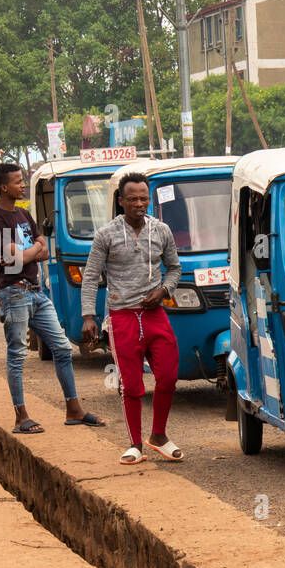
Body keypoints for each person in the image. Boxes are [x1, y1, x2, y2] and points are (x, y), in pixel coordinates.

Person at [0, 162, 105, 434]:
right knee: (16, 355)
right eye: (18, 181)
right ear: (4, 187)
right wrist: (33, 250)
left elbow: (42, 250)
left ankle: (74, 409)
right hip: (13, 293)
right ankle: (21, 416)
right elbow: (11, 259)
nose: (23, 185)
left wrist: (29, 251)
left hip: (35, 292)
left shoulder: (23, 213)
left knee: (62, 349)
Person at [80, 172, 183, 464]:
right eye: (133, 199)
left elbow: (175, 269)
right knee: (132, 384)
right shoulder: (106, 234)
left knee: (168, 377)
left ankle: (159, 436)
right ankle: (135, 444)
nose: (139, 203)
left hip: (155, 314)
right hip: (122, 316)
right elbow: (90, 277)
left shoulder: (162, 230)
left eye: (144, 198)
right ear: (121, 201)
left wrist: (164, 290)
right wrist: (88, 316)